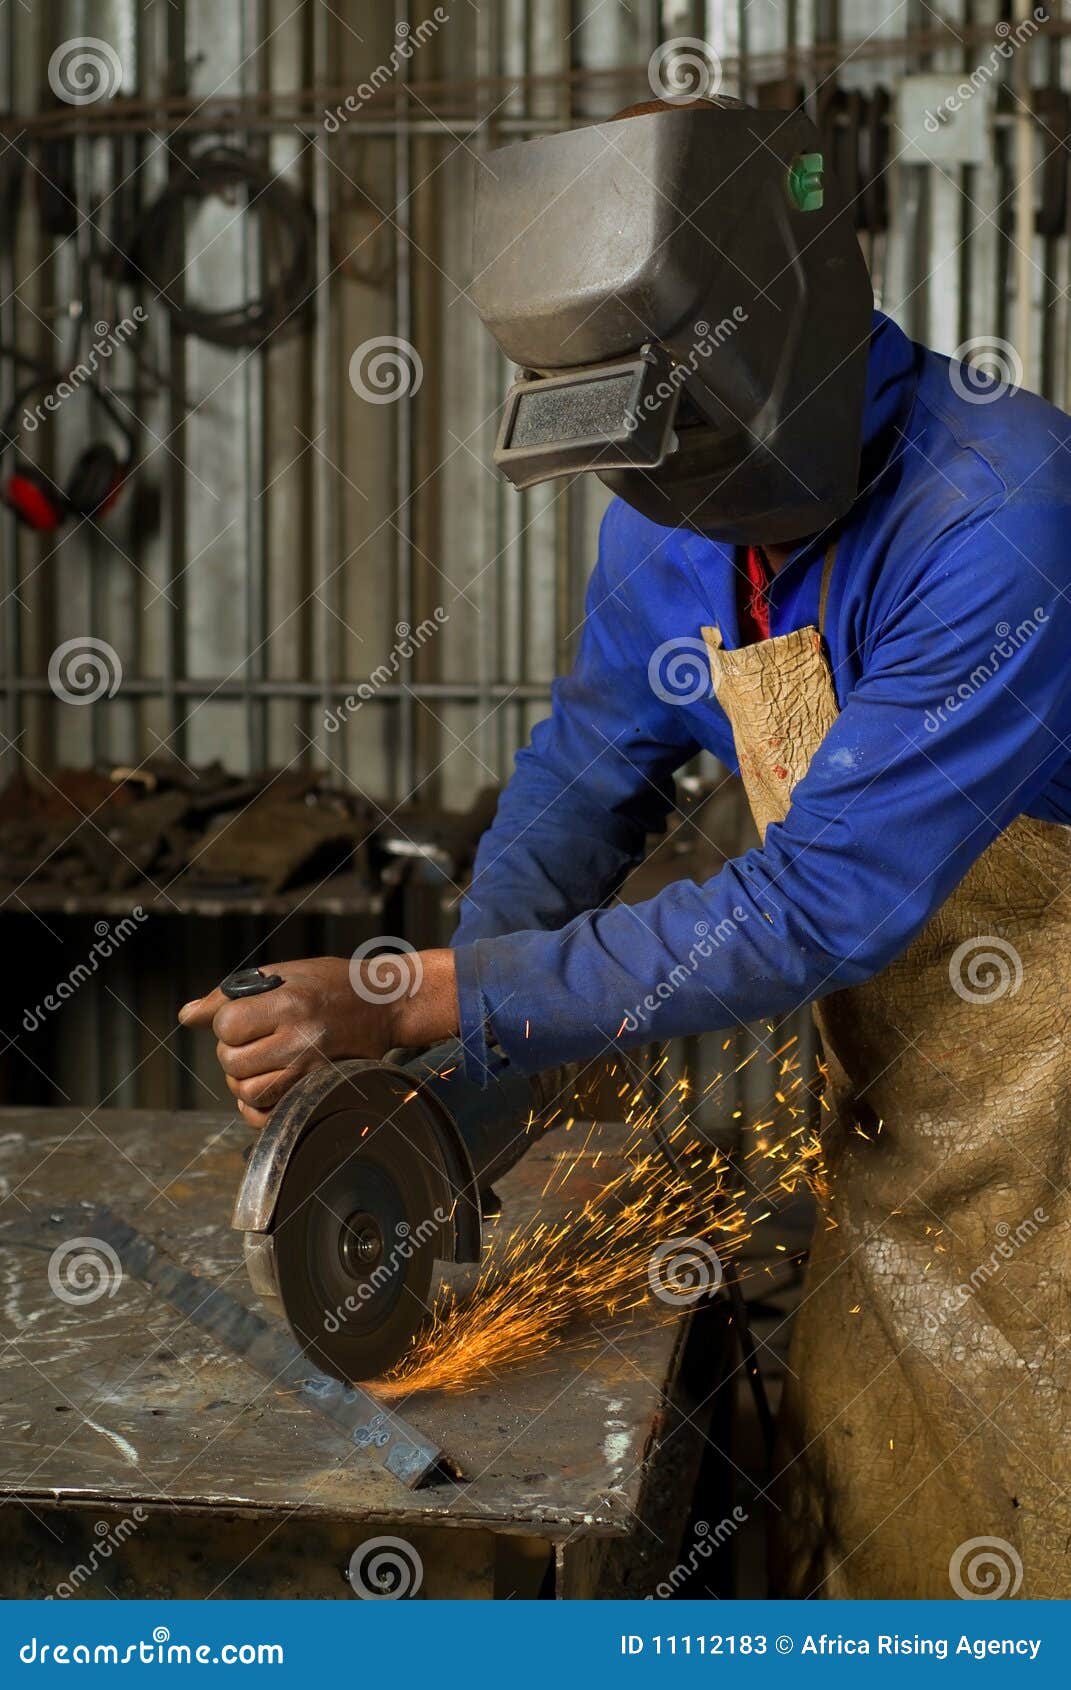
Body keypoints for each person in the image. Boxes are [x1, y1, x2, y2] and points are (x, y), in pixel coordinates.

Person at [181, 97, 1071, 1599]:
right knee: (880, 1489)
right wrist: (450, 1084)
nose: (663, 496)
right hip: (908, 1123)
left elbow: (814, 904)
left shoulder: (1005, 518)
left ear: (781, 342)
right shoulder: (671, 509)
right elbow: (585, 783)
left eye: (685, 437)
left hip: (1054, 1123)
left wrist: (405, 998)